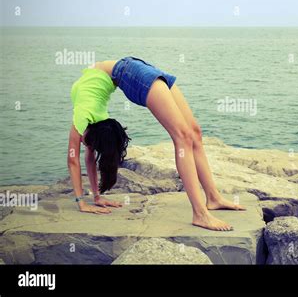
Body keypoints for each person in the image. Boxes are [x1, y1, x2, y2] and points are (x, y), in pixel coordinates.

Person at [67, 56, 244, 231]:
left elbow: (73, 160)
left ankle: (213, 198)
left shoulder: (81, 120)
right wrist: (96, 197)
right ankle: (201, 213)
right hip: (131, 67)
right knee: (185, 136)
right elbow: (89, 158)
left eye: (86, 144)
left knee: (192, 133)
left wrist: (81, 202)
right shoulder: (99, 125)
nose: (84, 145)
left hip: (129, 72)